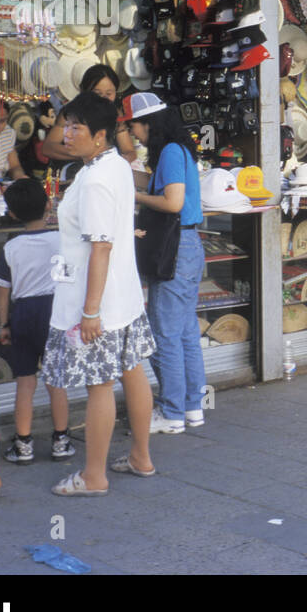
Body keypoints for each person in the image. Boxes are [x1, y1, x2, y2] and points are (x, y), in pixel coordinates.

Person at [40, 92, 157, 494]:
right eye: (65, 125)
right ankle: (140, 456)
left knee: (100, 386)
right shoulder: (115, 166)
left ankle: (94, 476)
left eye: (77, 128)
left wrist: (90, 312)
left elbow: (100, 247)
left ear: (101, 135)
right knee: (131, 371)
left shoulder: (95, 180)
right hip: (122, 296)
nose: (67, 135)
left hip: (99, 302)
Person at [126, 91, 207, 433]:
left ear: (149, 123)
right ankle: (192, 407)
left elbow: (172, 202)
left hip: (176, 247)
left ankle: (171, 413)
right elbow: (165, 189)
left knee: (165, 334)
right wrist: (128, 177)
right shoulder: (179, 150)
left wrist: (134, 196)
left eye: (135, 128)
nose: (134, 134)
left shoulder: (171, 152)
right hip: (188, 245)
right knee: (186, 331)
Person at [0, 178, 73, 464]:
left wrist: (4, 325)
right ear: (49, 205)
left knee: (25, 382)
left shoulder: (11, 248)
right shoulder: (62, 239)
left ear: (11, 214)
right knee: (56, 381)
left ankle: (23, 445)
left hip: (23, 314)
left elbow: (3, 290)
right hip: (55, 312)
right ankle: (61, 441)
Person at [42, 64, 138, 167]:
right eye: (97, 94)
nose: (103, 99)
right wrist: (86, 154)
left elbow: (129, 151)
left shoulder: (116, 114)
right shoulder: (72, 113)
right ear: (85, 91)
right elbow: (48, 148)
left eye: (109, 94)